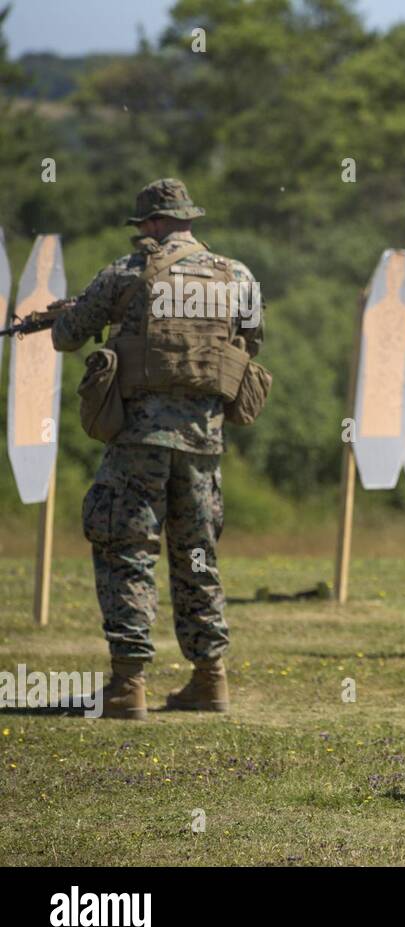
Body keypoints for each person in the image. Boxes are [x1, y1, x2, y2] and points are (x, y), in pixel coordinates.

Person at [52, 178, 263, 718]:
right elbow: (250, 343)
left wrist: (84, 313)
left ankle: (128, 685)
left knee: (127, 548)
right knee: (197, 555)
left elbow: (69, 334)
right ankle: (209, 679)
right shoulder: (237, 276)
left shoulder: (125, 273)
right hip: (204, 443)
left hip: (138, 442)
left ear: (149, 225)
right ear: (188, 220)